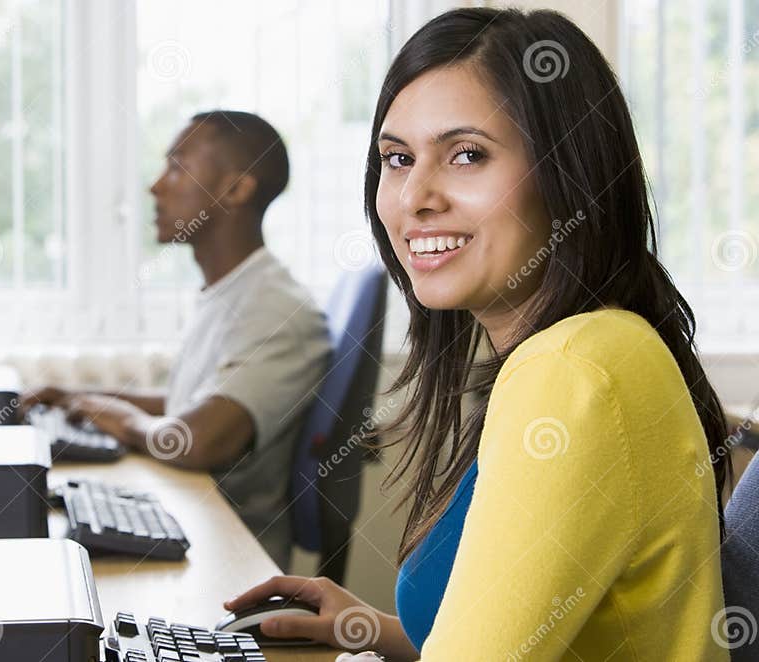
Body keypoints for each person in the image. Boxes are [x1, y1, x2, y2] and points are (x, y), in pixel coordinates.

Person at [226, 8, 730, 660]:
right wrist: (379, 629)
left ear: (567, 174)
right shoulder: (596, 346)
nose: (414, 197)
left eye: (467, 155)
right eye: (397, 159)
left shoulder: (572, 372)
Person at [22, 111, 331, 570]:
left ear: (236, 189)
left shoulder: (276, 310)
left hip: (230, 561)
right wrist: (76, 397)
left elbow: (196, 438)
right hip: (194, 528)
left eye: (177, 167)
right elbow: (189, 402)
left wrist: (122, 420)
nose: (155, 187)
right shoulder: (231, 291)